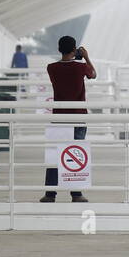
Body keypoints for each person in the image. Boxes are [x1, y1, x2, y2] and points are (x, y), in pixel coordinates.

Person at [40, 36, 96, 203]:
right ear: (75, 50)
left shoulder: (51, 68)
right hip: (78, 117)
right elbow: (93, 74)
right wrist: (86, 57)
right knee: (76, 154)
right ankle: (76, 193)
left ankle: (50, 193)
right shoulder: (81, 68)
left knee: (54, 155)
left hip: (59, 117)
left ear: (59, 49)